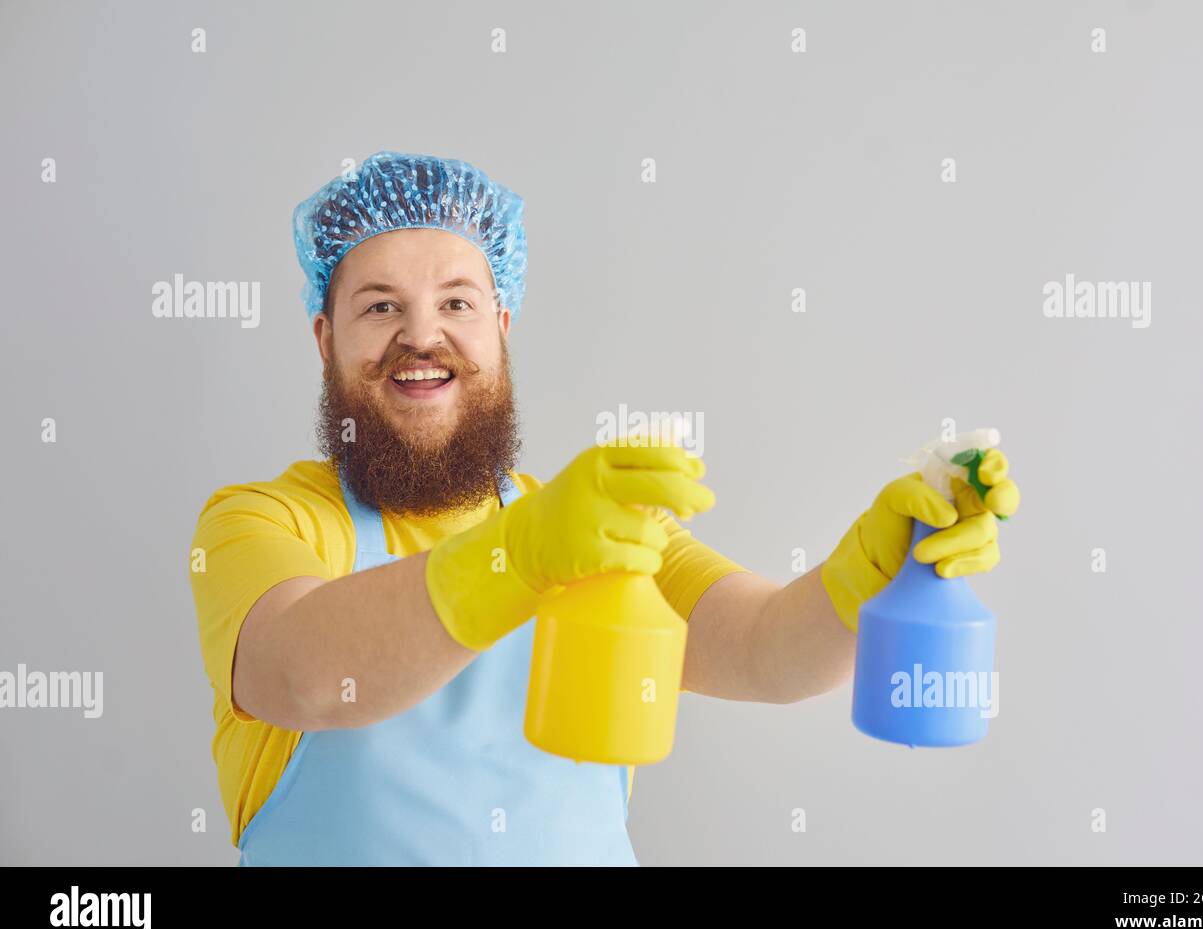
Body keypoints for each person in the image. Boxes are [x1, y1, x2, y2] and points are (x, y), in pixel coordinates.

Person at [189, 151, 1021, 866]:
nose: (422, 336)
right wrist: (526, 555)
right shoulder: (263, 524)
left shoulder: (597, 527)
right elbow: (301, 674)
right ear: (324, 337)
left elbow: (767, 651)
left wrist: (867, 578)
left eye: (456, 303)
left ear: (501, 326)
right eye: (379, 307)